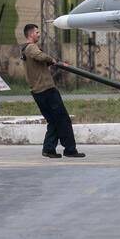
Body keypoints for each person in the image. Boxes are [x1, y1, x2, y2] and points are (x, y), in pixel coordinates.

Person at [22, 23, 84, 159]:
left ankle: (49, 149)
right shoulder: (31, 47)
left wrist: (47, 64)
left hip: (38, 92)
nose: (39, 34)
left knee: (54, 121)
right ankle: (70, 149)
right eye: (37, 32)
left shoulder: (25, 50)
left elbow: (38, 60)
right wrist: (52, 60)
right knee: (63, 119)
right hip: (47, 90)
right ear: (31, 34)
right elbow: (40, 56)